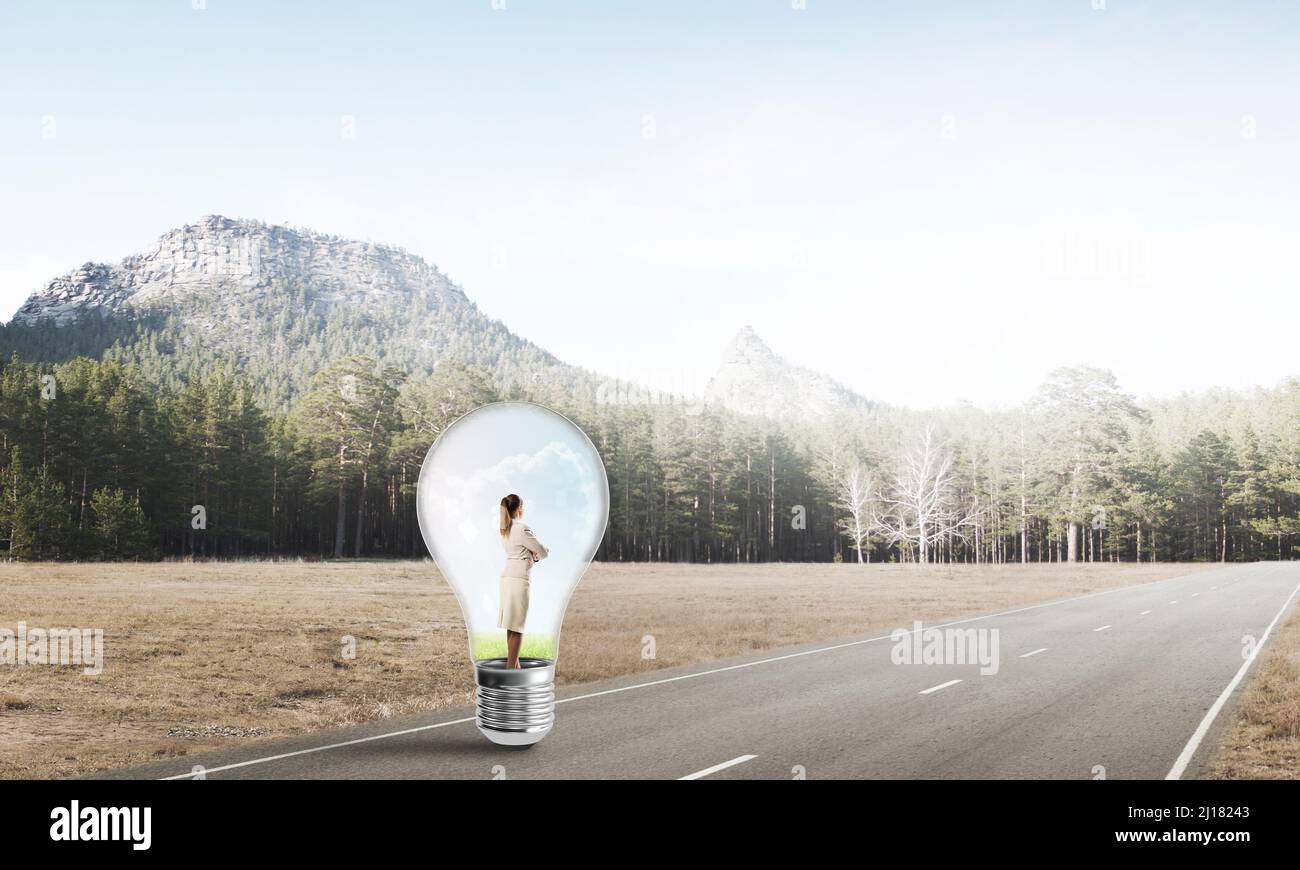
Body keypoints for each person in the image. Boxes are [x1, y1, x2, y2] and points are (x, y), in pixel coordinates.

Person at [498, 493, 548, 668]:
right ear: (519, 508)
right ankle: (511, 670)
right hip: (519, 579)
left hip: (506, 579)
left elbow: (520, 551)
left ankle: (515, 666)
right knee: (518, 626)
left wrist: (531, 554)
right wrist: (538, 554)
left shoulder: (504, 530)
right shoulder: (522, 528)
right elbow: (542, 551)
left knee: (511, 625)